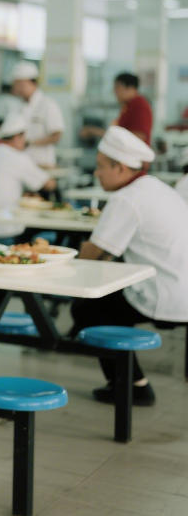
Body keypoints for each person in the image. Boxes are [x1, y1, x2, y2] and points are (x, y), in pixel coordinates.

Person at [70, 127, 188, 406]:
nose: (96, 173)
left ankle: (132, 386)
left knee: (88, 308)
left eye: (101, 167)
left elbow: (93, 254)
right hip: (181, 285)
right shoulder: (156, 187)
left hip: (167, 295)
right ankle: (133, 381)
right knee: (108, 304)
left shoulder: (127, 198)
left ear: (120, 168)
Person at [10, 61, 64, 167]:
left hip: (42, 163)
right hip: (21, 162)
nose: (18, 89)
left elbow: (56, 136)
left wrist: (30, 143)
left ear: (33, 83)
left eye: (21, 84)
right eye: (16, 85)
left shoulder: (48, 105)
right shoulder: (17, 106)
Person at [80, 73, 153, 144]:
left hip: (135, 155)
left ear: (131, 88)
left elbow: (140, 136)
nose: (115, 91)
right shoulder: (128, 106)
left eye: (118, 87)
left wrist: (95, 131)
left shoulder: (140, 105)